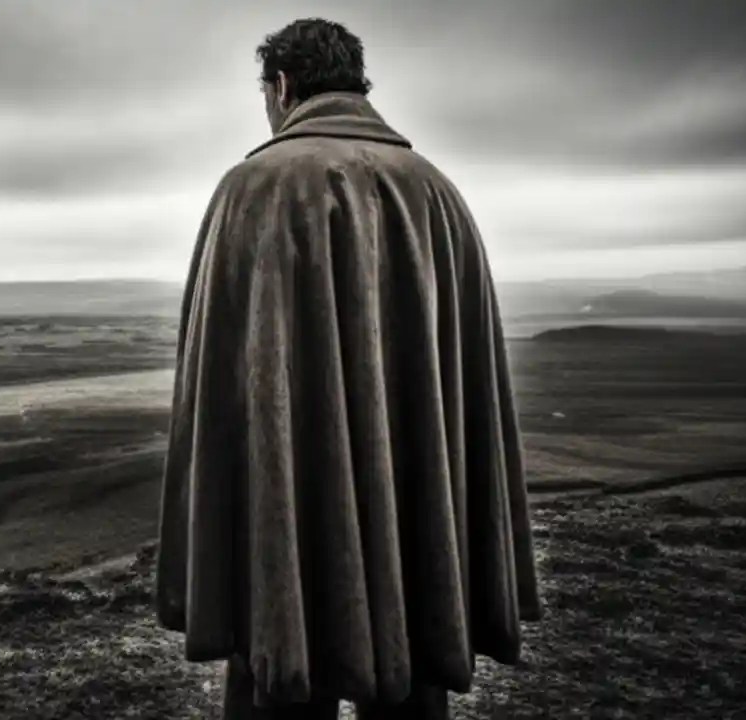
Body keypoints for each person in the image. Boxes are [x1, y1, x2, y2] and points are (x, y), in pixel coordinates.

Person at [154, 18, 543, 719]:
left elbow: (217, 391)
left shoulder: (254, 187)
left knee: (278, 680)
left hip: (290, 517)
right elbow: (465, 389)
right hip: (415, 518)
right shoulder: (439, 193)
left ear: (281, 86)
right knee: (412, 672)